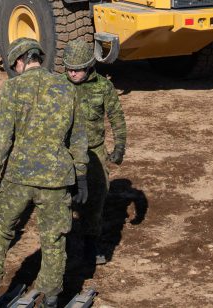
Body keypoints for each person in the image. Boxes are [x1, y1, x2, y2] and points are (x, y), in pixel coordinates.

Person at [0, 38, 88, 308]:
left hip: (18, 176)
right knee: (54, 238)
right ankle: (52, 299)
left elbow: (0, 138)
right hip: (56, 178)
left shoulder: (12, 88)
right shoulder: (66, 89)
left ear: (20, 61)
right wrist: (81, 176)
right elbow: (78, 137)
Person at [64, 39, 127, 266]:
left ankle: (91, 245)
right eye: (69, 68)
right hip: (65, 154)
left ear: (89, 66)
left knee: (95, 200)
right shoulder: (58, 86)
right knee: (63, 201)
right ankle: (64, 247)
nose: (73, 73)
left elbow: (116, 118)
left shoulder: (103, 87)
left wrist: (119, 145)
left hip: (94, 152)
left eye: (77, 69)